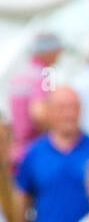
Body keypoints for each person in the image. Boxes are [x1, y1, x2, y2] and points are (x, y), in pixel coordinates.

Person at [13, 88, 89, 222]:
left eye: (73, 108)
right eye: (62, 108)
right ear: (49, 112)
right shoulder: (34, 153)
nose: (68, 114)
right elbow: (21, 200)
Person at [7, 32, 62, 164]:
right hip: (35, 151)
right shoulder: (45, 75)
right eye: (58, 51)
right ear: (50, 51)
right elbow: (39, 114)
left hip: (17, 150)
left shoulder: (20, 74)